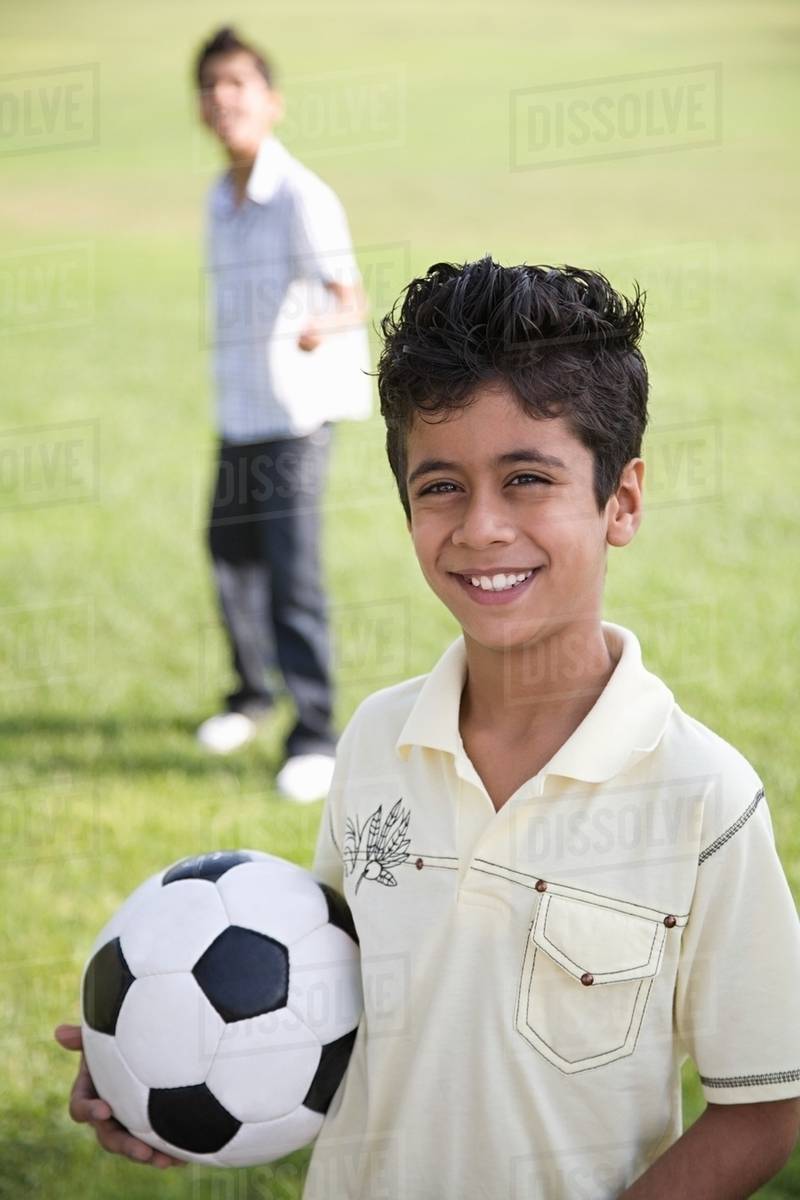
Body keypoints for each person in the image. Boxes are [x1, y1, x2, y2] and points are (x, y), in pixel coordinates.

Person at [56, 259, 800, 1195]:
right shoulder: (377, 741)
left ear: (623, 501)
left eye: (527, 478)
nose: (481, 527)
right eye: (441, 485)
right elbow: (324, 1010)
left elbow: (766, 1106)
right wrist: (160, 1064)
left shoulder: (703, 798)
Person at [193, 27, 371, 802]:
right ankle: (250, 697)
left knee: (292, 574)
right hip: (240, 408)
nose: (222, 98)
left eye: (237, 84)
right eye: (210, 86)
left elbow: (352, 298)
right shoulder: (219, 198)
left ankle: (316, 733)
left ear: (272, 101)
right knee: (229, 555)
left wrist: (317, 327)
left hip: (295, 416)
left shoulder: (301, 195)